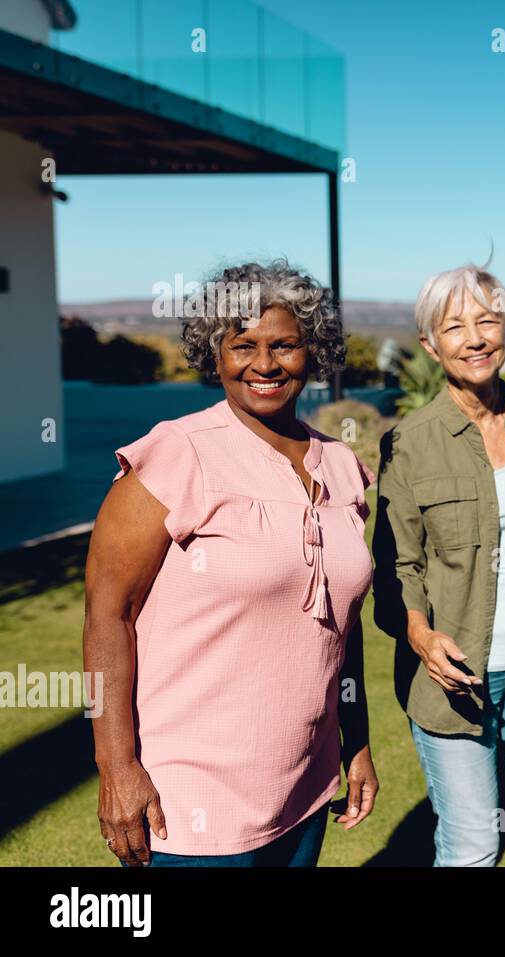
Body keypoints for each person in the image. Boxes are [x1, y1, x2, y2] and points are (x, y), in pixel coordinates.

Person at [84, 260, 378, 867]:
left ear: (312, 351)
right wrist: (116, 766)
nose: (264, 365)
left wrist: (357, 744)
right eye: (242, 345)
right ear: (214, 353)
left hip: (304, 787)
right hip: (189, 795)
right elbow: (106, 615)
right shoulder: (175, 455)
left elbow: (340, 623)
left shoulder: (343, 468)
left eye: (285, 346)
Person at [372, 264, 505, 867]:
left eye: (488, 321)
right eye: (455, 325)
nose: (475, 337)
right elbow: (397, 565)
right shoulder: (408, 442)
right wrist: (419, 633)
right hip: (453, 675)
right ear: (429, 344)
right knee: (471, 847)